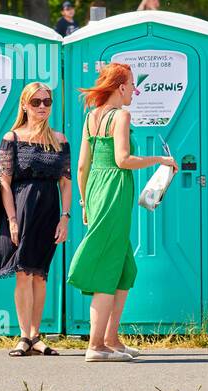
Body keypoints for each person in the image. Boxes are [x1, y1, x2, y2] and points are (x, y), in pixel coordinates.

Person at [67, 62, 176, 362]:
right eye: (131, 84)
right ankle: (95, 346)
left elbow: (81, 167)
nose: (134, 90)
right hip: (114, 190)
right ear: (120, 87)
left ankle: (111, 339)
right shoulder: (121, 116)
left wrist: (85, 203)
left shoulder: (91, 117)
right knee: (107, 267)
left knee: (125, 267)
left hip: (97, 191)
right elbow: (123, 159)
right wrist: (159, 160)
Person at [0, 83, 71, 357]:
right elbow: (4, 183)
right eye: (36, 102)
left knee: (40, 276)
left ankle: (36, 336)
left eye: (47, 101)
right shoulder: (12, 137)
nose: (42, 106)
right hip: (20, 211)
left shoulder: (60, 140)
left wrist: (65, 218)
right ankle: (24, 336)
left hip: (48, 212)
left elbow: (66, 183)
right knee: (22, 274)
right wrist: (11, 219)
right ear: (24, 105)